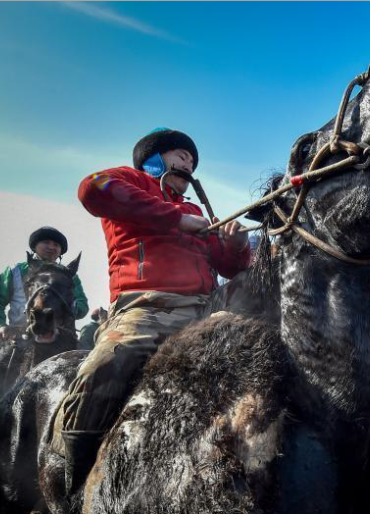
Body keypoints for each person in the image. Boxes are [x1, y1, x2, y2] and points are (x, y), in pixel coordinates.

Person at [52, 128, 252, 495]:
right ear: (154, 159)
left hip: (206, 311)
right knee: (104, 365)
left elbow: (228, 266)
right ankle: (71, 480)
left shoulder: (197, 210)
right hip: (146, 308)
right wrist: (174, 219)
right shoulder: (126, 183)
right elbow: (89, 188)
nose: (188, 163)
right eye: (180, 155)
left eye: (191, 160)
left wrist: (237, 245)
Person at [0, 227, 89, 341]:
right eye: (46, 242)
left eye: (56, 245)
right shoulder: (15, 271)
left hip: (60, 340)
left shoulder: (69, 275)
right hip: (20, 340)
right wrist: (1, 326)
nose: (51, 247)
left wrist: (68, 307)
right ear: (34, 246)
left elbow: (82, 305)